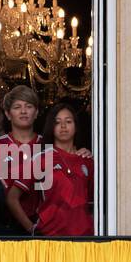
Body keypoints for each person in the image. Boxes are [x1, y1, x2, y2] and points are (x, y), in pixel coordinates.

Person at [28, 101, 94, 237]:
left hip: (84, 237)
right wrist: (31, 228)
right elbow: (13, 197)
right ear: (51, 127)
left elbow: (96, 200)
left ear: (76, 126)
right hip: (50, 236)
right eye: (57, 122)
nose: (63, 126)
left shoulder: (87, 160)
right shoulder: (41, 159)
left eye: (68, 121)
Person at [0, 86, 43, 234]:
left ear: (36, 113)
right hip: (2, 228)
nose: (23, 111)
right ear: (8, 114)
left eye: (29, 106)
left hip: (42, 228)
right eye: (17, 107)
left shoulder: (48, 146)